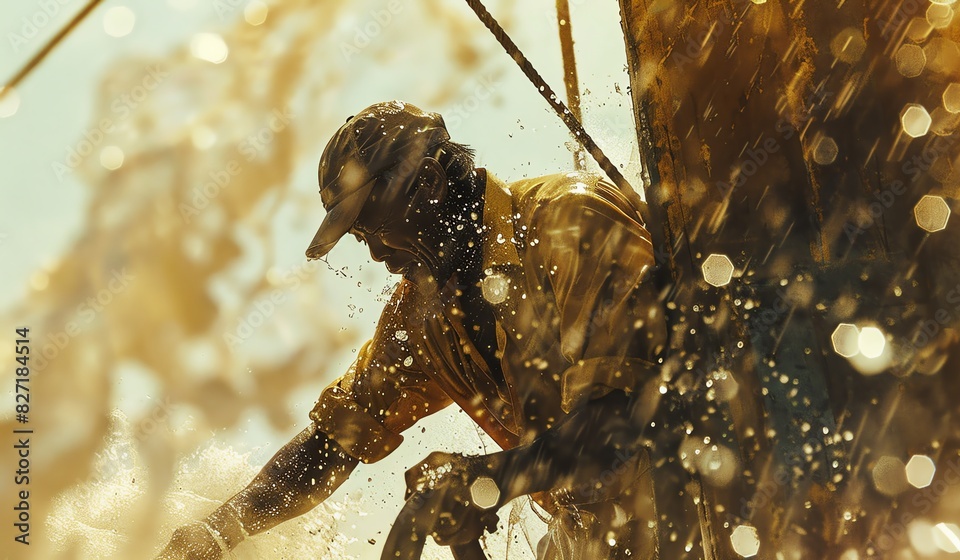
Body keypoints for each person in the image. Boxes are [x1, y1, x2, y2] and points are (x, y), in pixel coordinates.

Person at [158, 100, 683, 559]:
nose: (376, 254)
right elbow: (333, 442)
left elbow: (629, 415)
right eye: (359, 238)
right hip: (594, 537)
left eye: (374, 225)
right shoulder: (420, 318)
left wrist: (489, 477)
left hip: (695, 495)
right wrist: (213, 535)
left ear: (428, 182)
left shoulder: (568, 219)